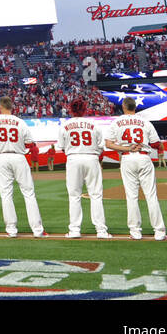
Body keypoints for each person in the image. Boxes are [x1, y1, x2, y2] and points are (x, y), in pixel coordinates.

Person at [105, 97, 166, 241]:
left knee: (131, 196)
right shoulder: (144, 121)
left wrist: (126, 147)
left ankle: (135, 231)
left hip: (127, 158)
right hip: (144, 157)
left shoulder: (116, 122)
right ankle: (159, 231)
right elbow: (156, 143)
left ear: (124, 107)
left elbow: (108, 144)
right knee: (151, 196)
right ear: (135, 107)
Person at [0, 97, 47, 238]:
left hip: (1, 157)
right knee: (29, 193)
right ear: (12, 107)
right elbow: (30, 144)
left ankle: (11, 230)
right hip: (19, 157)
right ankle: (37, 230)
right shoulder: (20, 122)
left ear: (0, 106)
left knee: (6, 194)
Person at [56, 98, 109, 239]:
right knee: (96, 195)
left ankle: (74, 230)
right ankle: (101, 231)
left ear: (71, 110)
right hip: (91, 158)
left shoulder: (65, 125)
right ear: (85, 109)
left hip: (73, 159)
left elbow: (61, 147)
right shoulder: (94, 124)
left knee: (74, 196)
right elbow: (101, 146)